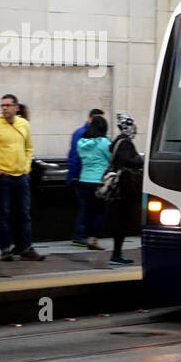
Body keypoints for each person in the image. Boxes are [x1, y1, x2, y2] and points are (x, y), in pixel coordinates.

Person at [0, 93, 45, 262]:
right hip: (3, 176)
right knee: (4, 213)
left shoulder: (24, 124)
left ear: (16, 107)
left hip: (21, 175)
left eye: (8, 105)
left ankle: (25, 247)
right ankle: (5, 248)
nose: (5, 108)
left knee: (24, 213)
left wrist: (26, 168)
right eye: (2, 106)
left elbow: (28, 148)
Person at [106, 113, 144, 267]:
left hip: (119, 188)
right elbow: (127, 161)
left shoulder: (117, 141)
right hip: (124, 188)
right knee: (122, 222)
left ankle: (117, 253)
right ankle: (116, 255)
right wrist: (140, 158)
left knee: (120, 221)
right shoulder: (125, 142)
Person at [67, 109, 105, 247]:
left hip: (82, 177)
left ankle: (83, 235)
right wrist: (74, 176)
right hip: (84, 177)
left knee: (86, 207)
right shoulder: (85, 135)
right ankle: (81, 235)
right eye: (97, 120)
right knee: (86, 208)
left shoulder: (84, 136)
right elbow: (75, 157)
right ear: (90, 119)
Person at [75, 115, 111, 250]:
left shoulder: (81, 143)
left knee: (89, 212)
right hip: (99, 182)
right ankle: (93, 239)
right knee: (100, 212)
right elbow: (111, 158)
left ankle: (88, 235)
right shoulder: (104, 142)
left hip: (84, 181)